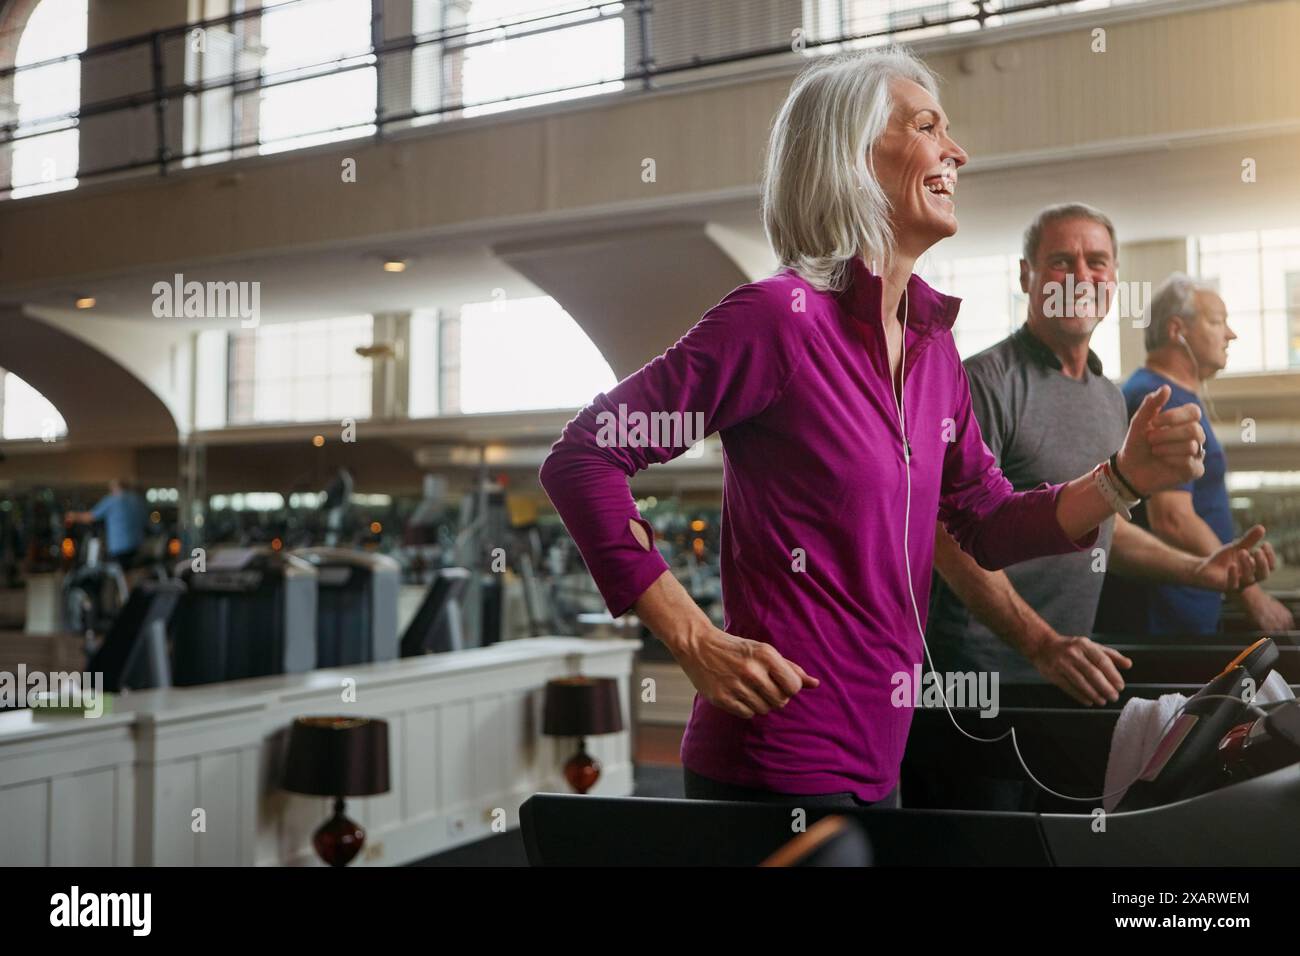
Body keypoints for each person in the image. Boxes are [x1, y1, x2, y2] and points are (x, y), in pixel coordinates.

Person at [539, 48, 1208, 807]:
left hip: (881, 757)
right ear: (852, 158)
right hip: (777, 760)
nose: (958, 151)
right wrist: (691, 637)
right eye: (927, 126)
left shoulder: (932, 348)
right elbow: (584, 457)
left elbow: (985, 521)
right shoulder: (777, 321)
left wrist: (1118, 481)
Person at [926, 206, 1277, 705]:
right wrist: (1042, 644)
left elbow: (1106, 526)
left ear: (1114, 279)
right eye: (1061, 261)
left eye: (1097, 262)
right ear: (1026, 276)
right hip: (980, 682)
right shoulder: (983, 382)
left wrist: (1198, 571)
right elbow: (947, 537)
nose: (1080, 277)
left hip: (1069, 671)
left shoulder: (1107, 397)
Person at [1096, 275, 1296, 635]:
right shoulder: (1161, 396)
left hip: (1186, 608)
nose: (1230, 334)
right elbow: (1172, 519)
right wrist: (1250, 595)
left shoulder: (1170, 393)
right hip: (1164, 617)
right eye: (1218, 322)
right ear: (1177, 330)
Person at [66, 478, 148, 569]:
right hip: (138, 545)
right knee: (132, 569)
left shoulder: (112, 500)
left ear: (114, 488)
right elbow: (146, 521)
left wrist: (73, 515)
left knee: (121, 573)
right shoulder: (137, 500)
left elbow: (90, 517)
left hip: (120, 547)